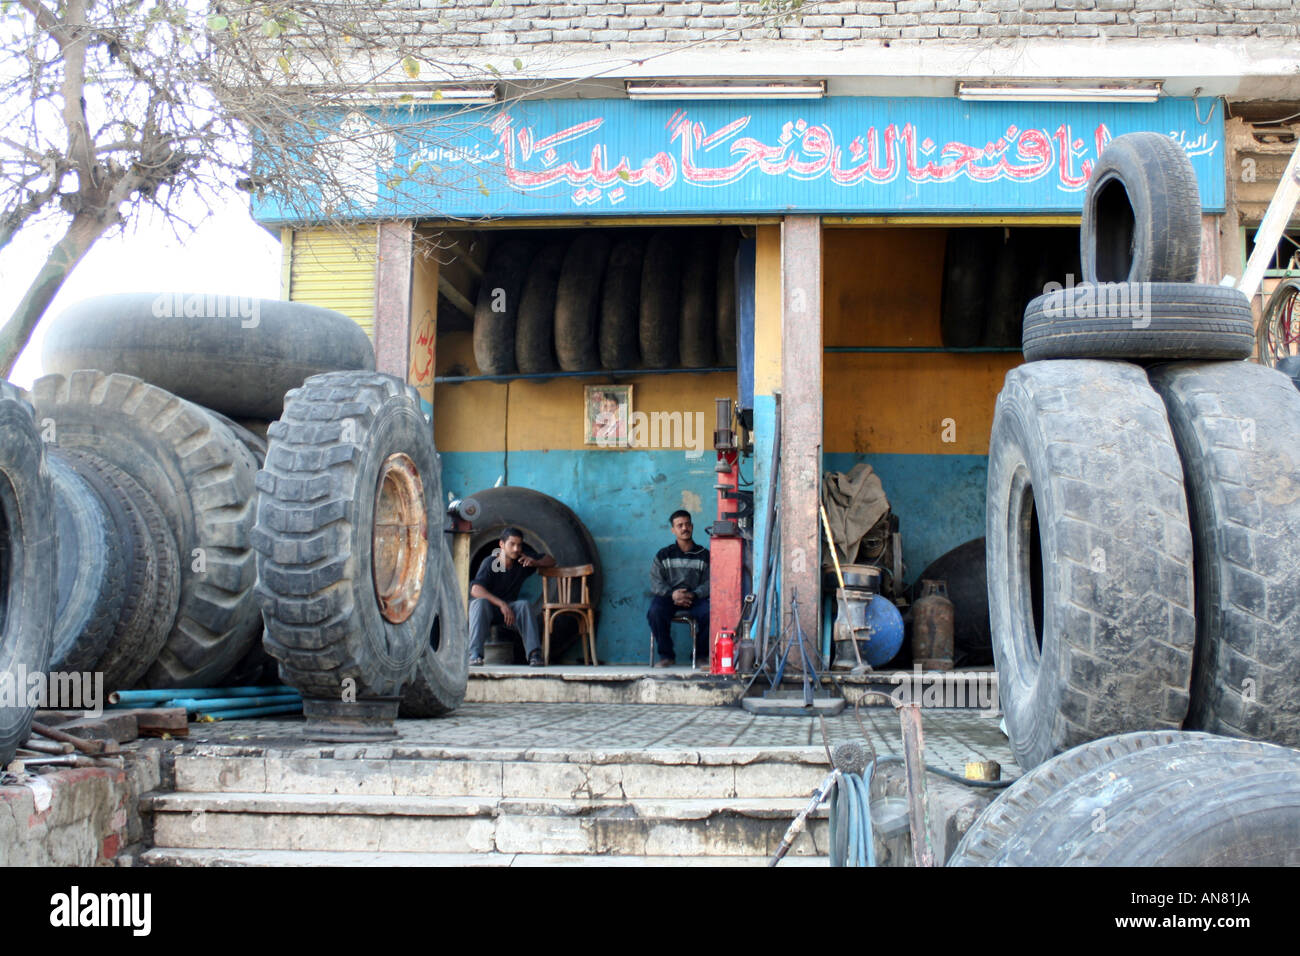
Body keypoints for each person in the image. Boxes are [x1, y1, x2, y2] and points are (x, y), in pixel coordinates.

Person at [468, 526, 555, 667]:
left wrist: (535, 562)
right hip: (488, 611)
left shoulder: (522, 561)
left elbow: (551, 560)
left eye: (519, 545)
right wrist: (502, 604)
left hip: (510, 612)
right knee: (479, 603)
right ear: (501, 545)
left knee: (524, 605)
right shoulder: (491, 562)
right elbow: (475, 590)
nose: (516, 549)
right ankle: (475, 655)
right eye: (512, 544)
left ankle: (534, 655)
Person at [646, 509, 710, 667]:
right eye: (679, 525)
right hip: (669, 597)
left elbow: (711, 582)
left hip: (695, 598)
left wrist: (693, 594)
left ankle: (701, 655)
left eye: (687, 524)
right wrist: (672, 594)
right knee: (655, 612)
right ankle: (667, 656)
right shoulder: (664, 554)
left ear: (692, 527)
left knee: (711, 613)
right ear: (673, 530)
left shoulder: (704, 554)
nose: (684, 528)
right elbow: (656, 582)